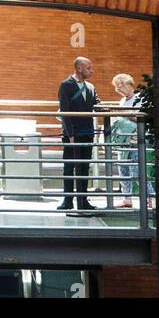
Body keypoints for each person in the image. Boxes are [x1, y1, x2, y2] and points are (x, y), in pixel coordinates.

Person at [57, 56, 108, 211]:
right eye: (88, 68)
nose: (91, 71)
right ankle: (67, 200)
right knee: (69, 167)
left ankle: (83, 200)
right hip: (72, 133)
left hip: (87, 132)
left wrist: (106, 109)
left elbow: (96, 103)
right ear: (79, 68)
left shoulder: (90, 87)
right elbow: (65, 111)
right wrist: (70, 135)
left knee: (85, 166)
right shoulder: (66, 85)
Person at [110, 73, 153, 207]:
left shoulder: (139, 99)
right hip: (124, 139)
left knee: (137, 170)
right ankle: (126, 198)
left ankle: (149, 197)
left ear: (128, 84)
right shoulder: (123, 101)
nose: (118, 89)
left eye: (120, 86)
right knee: (123, 169)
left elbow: (142, 118)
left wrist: (125, 114)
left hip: (136, 138)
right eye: (116, 87)